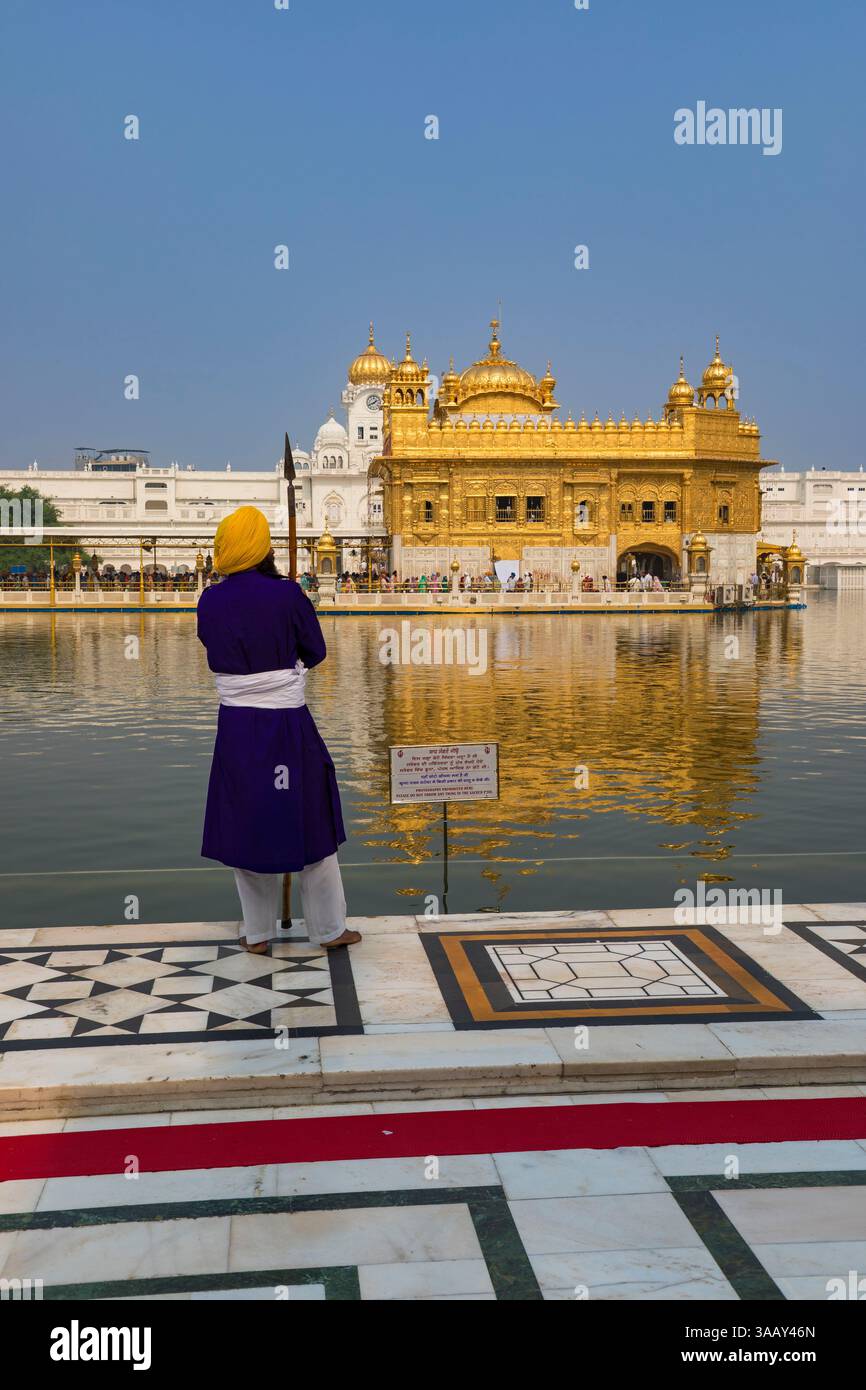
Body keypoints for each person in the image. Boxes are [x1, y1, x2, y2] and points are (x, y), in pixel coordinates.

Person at [197, 506, 360, 955]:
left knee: (247, 818)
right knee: (310, 817)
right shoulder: (287, 596)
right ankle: (328, 930)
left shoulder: (210, 600)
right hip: (286, 725)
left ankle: (257, 934)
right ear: (264, 547)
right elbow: (317, 652)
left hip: (235, 728)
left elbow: (213, 646)